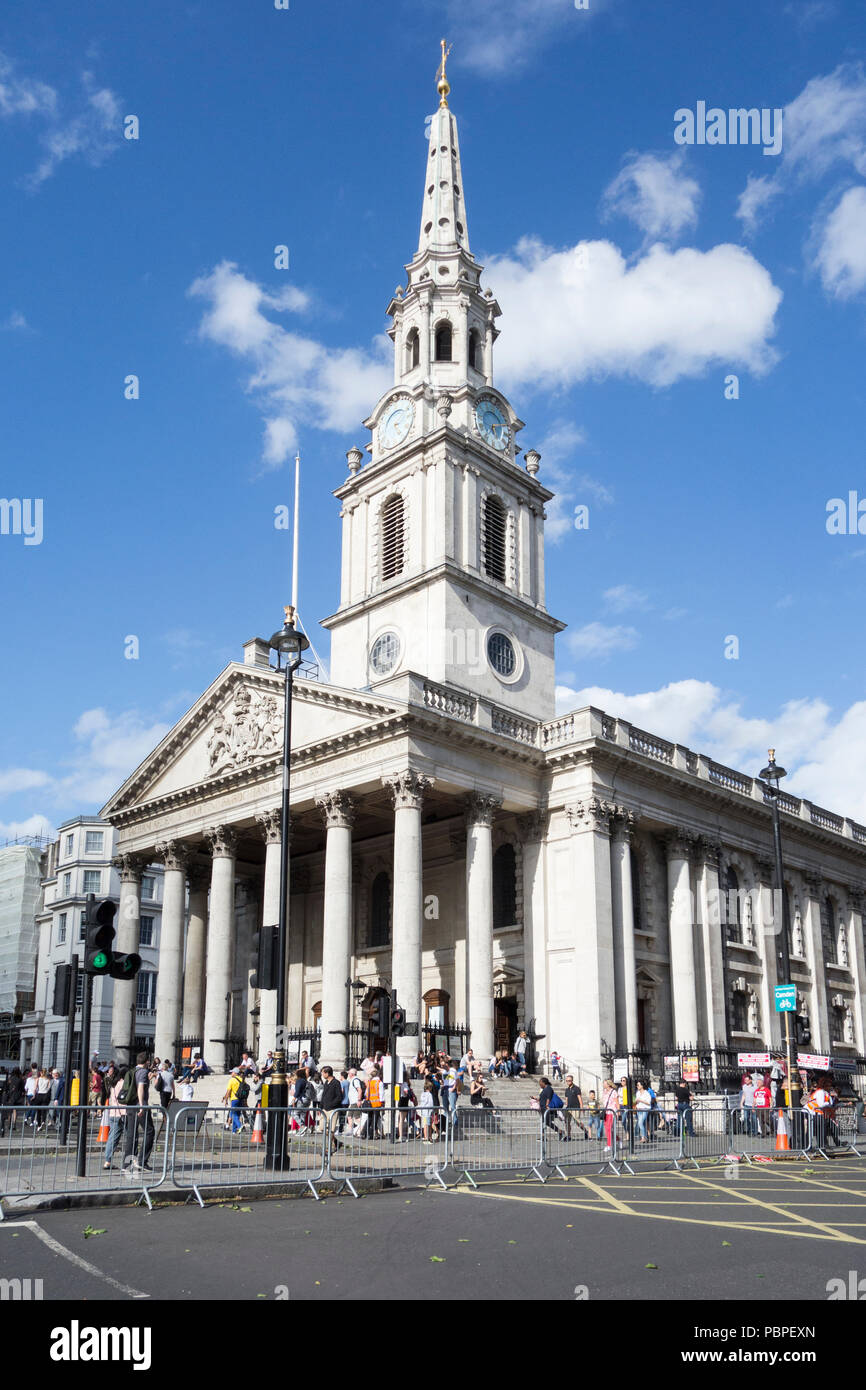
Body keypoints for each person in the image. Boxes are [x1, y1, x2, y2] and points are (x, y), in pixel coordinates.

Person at [121, 1051, 156, 1174]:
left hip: (130, 1106)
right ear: (147, 1062)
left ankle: (127, 1164)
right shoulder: (143, 1072)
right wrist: (142, 1105)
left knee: (131, 1134)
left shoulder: (133, 1071)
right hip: (140, 1106)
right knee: (150, 1131)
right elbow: (140, 1088)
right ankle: (142, 1161)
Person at [0, 1066, 25, 1136]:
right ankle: (14, 1123)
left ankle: (9, 1122)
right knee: (15, 1110)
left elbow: (6, 1087)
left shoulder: (10, 1079)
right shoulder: (20, 1079)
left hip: (10, 1095)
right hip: (17, 1096)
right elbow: (23, 1089)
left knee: (9, 1110)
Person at [601, 1078, 619, 1152]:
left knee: (609, 1128)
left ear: (608, 1084)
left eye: (604, 1083)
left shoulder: (614, 1092)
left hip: (612, 1112)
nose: (603, 1085)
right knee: (607, 1129)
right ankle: (618, 1139)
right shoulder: (604, 1091)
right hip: (606, 1112)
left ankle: (609, 1145)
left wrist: (618, 1112)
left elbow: (617, 1103)